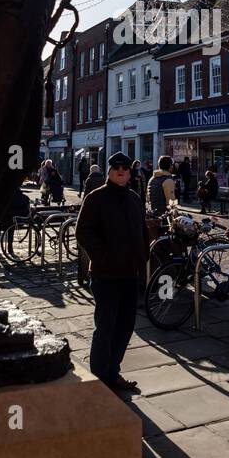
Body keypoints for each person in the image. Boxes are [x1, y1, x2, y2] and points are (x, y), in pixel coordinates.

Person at [75, 153, 147, 394]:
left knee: (125, 326)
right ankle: (99, 378)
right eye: (115, 167)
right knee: (105, 326)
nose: (120, 171)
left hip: (129, 273)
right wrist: (102, 255)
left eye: (124, 168)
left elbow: (142, 230)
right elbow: (83, 230)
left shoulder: (134, 198)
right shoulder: (96, 198)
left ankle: (113, 372)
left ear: (129, 173)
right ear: (109, 171)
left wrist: (142, 256)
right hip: (105, 275)